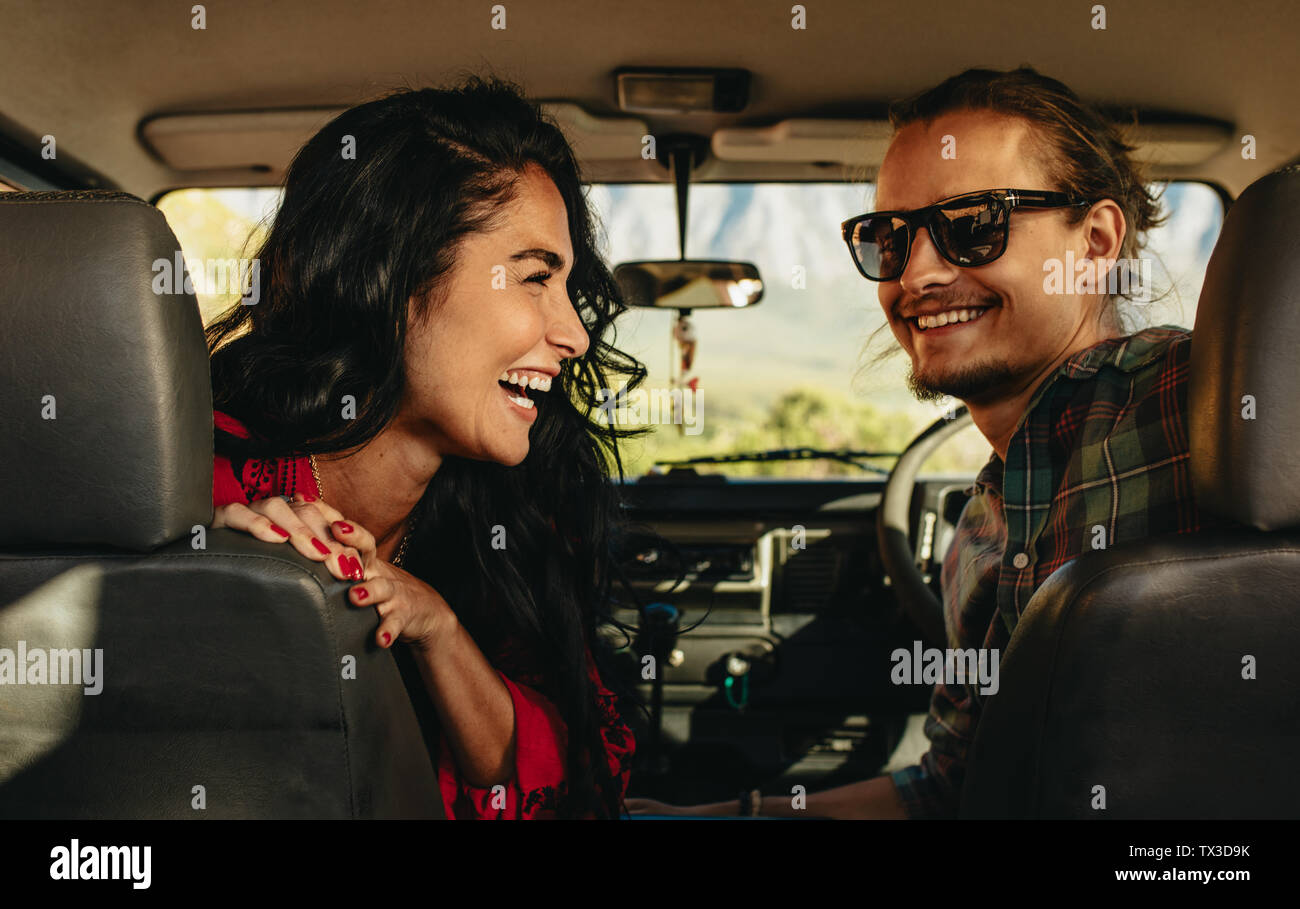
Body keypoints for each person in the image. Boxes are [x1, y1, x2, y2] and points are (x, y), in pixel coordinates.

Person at [628, 66, 1233, 818]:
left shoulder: (1203, 404)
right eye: (889, 237)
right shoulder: (979, 528)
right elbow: (955, 785)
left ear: (1098, 241)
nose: (915, 274)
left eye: (974, 224)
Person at [206, 78, 645, 819]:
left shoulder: (514, 512)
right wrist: (205, 559)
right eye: (536, 277)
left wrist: (436, 627)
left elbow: (574, 781)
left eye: (569, 288)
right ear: (393, 276)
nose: (574, 334)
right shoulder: (189, 476)